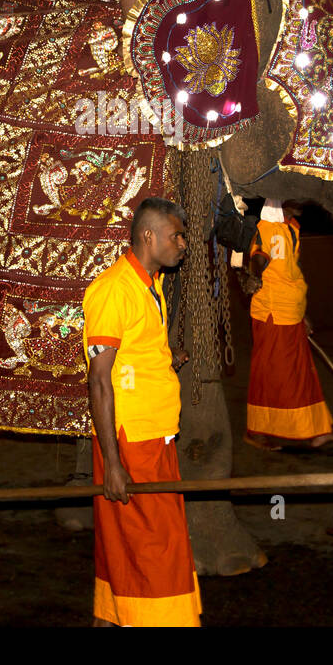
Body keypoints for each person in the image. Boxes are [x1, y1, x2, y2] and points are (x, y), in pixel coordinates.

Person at [82, 196, 201, 627]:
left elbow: (134, 355)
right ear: (148, 237)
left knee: (128, 538)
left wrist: (166, 359)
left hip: (156, 433)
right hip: (131, 440)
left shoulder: (150, 285)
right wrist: (113, 463)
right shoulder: (113, 289)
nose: (183, 244)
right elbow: (99, 380)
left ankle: (113, 616)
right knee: (157, 544)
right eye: (176, 236)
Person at [242, 200, 333, 451]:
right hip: (273, 312)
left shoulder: (292, 227)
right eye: (294, 195)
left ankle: (317, 430)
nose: (301, 200)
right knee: (274, 373)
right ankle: (257, 431)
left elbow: (289, 271)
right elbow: (258, 257)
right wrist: (253, 277)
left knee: (301, 373)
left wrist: (302, 314)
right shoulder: (267, 227)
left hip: (291, 312)